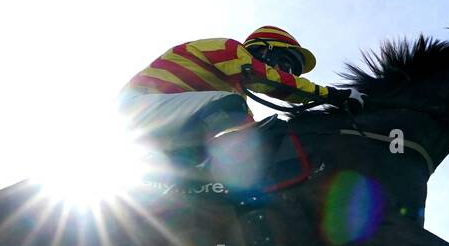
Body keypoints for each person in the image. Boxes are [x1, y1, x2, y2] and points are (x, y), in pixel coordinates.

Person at [118, 26, 363, 172]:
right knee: (231, 107)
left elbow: (249, 131)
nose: (287, 73)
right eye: (286, 64)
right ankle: (189, 169)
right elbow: (271, 80)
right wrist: (335, 95)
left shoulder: (233, 91)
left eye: (292, 71)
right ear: (264, 49)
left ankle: (189, 178)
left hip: (161, 121)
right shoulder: (231, 49)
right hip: (139, 107)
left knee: (245, 125)